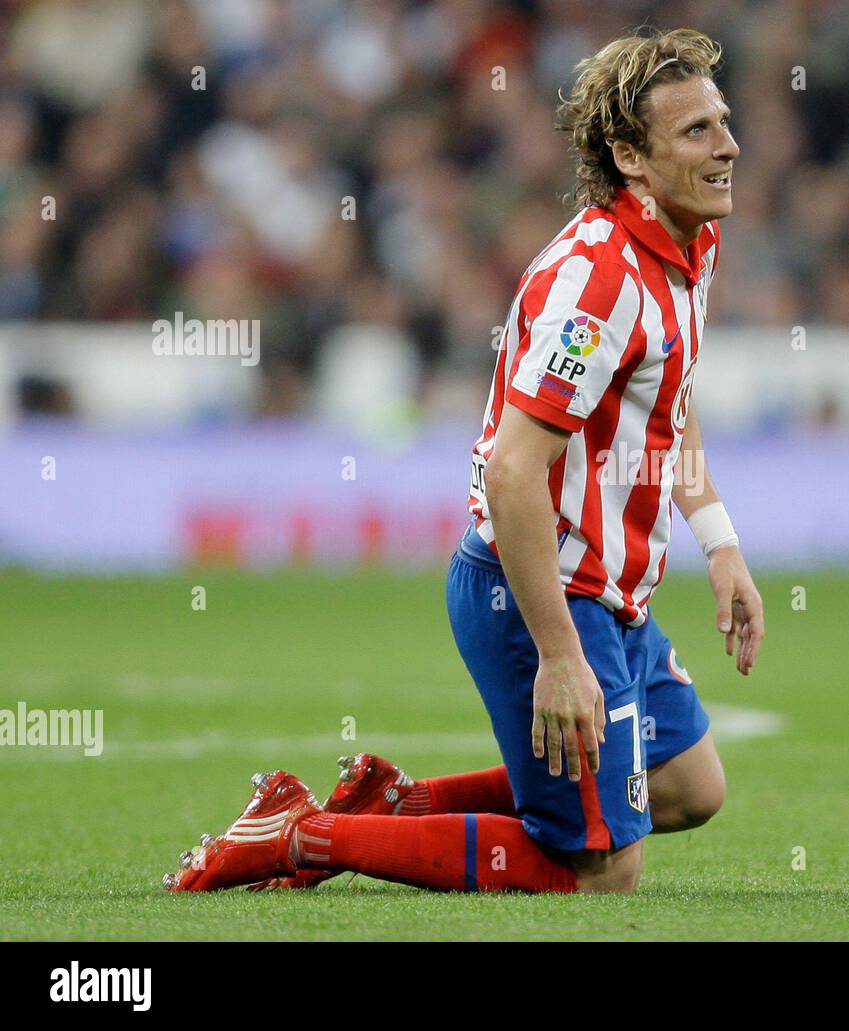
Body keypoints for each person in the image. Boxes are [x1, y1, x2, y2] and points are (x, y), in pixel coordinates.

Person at [166, 26, 763, 896]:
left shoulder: (687, 244)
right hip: (543, 591)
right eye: (698, 131)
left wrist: (721, 541)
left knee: (687, 784)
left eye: (723, 120)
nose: (729, 145)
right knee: (598, 872)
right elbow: (514, 472)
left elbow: (670, 396)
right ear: (631, 156)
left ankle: (397, 804)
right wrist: (560, 652)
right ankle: (307, 835)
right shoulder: (597, 287)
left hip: (614, 589)